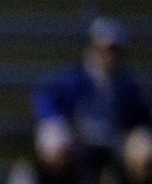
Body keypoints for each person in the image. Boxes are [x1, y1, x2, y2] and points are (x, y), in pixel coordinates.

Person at [35, 17, 149, 167]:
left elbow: (139, 117)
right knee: (55, 138)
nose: (110, 57)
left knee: (145, 149)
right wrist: (61, 123)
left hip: (114, 139)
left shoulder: (126, 85)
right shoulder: (74, 78)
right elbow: (45, 98)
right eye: (105, 50)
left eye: (115, 51)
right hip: (77, 136)